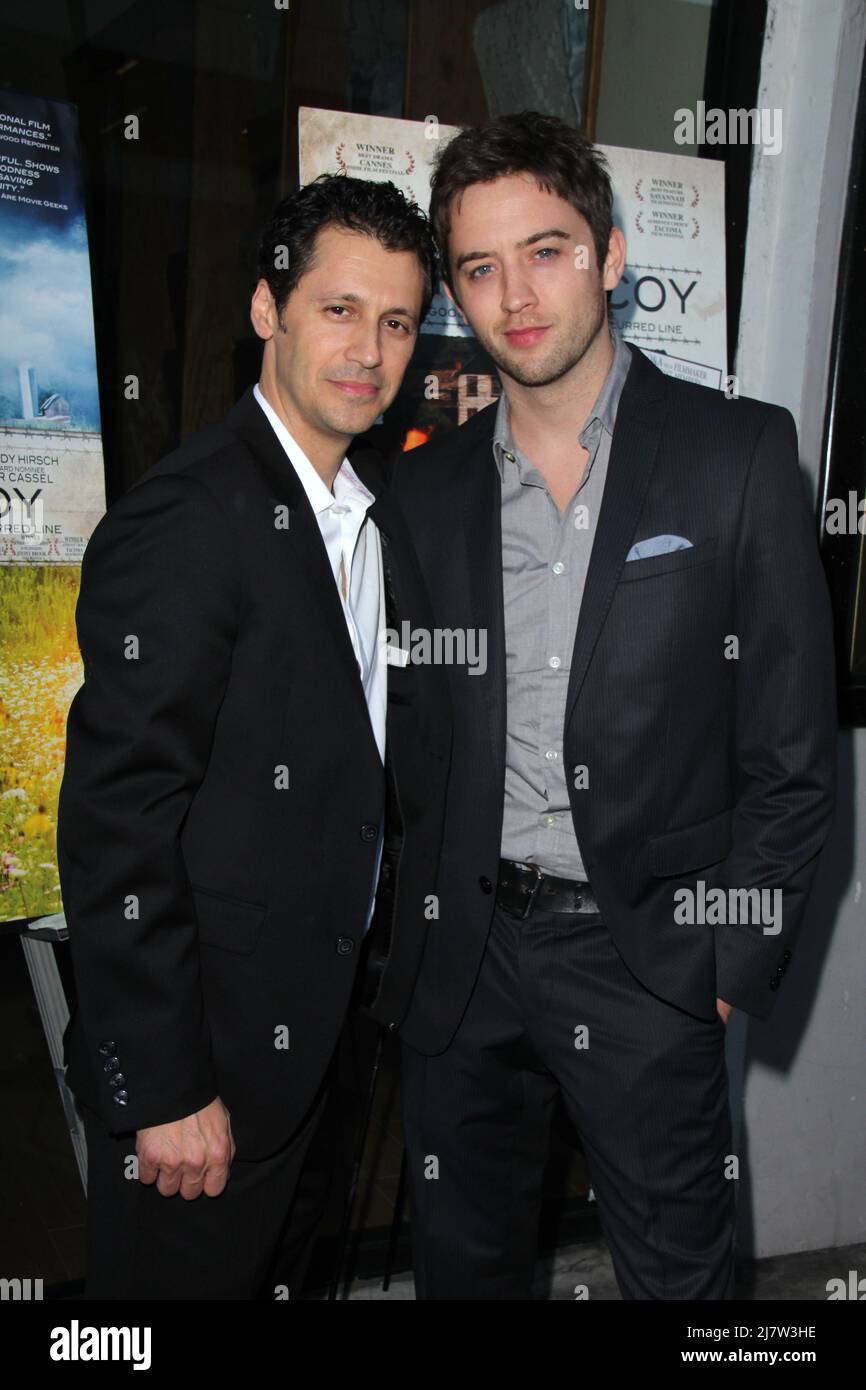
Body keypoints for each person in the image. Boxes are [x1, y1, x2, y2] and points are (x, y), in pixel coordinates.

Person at [390, 111, 837, 1300]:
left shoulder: (735, 455)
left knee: (676, 1281)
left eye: (545, 250)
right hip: (467, 953)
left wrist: (730, 958)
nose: (514, 295)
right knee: (463, 1271)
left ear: (611, 253)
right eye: (478, 268)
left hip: (644, 954)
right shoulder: (425, 487)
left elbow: (790, 754)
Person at [57, 174, 450, 1300]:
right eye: (336, 309)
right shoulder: (187, 521)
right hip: (207, 1078)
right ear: (266, 311)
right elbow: (117, 820)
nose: (367, 349)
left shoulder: (376, 514)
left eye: (394, 320)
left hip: (323, 1048)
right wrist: (162, 1085)